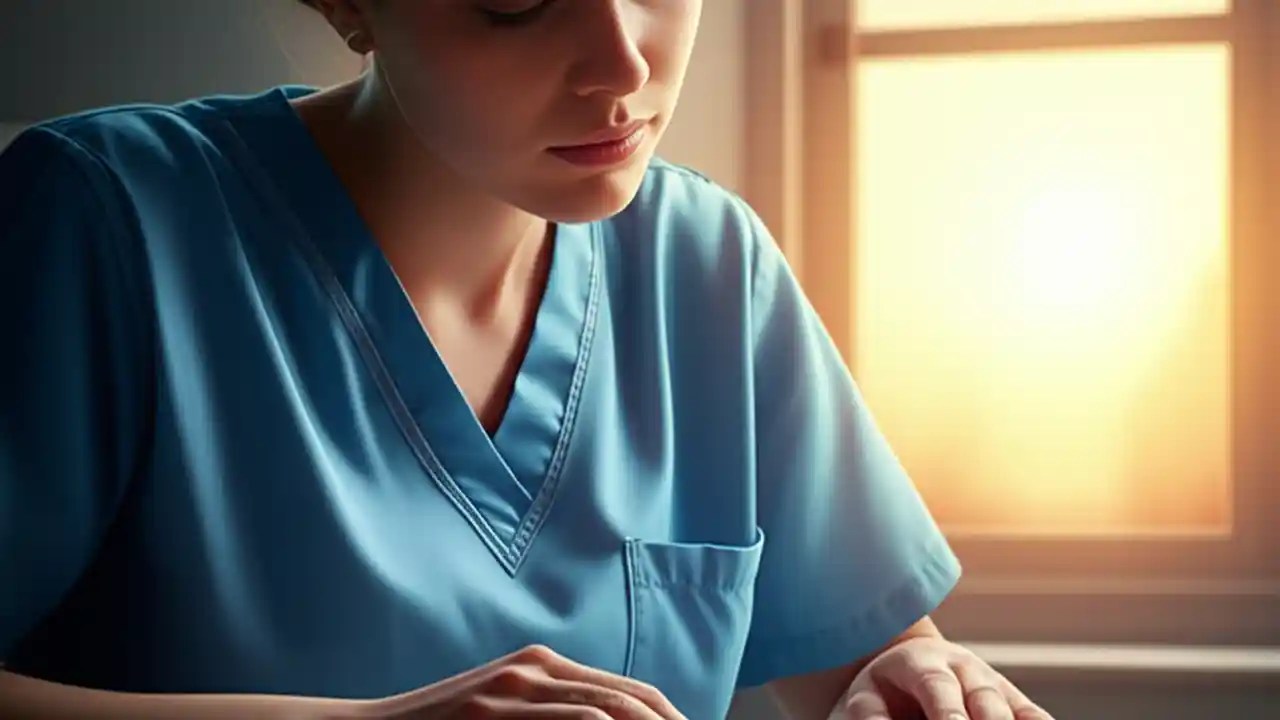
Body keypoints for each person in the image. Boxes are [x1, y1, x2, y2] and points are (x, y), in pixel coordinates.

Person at [0, 1, 1055, 718]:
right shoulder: (106, 220)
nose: (623, 63)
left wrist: (913, 671)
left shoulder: (706, 262)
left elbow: (863, 646)